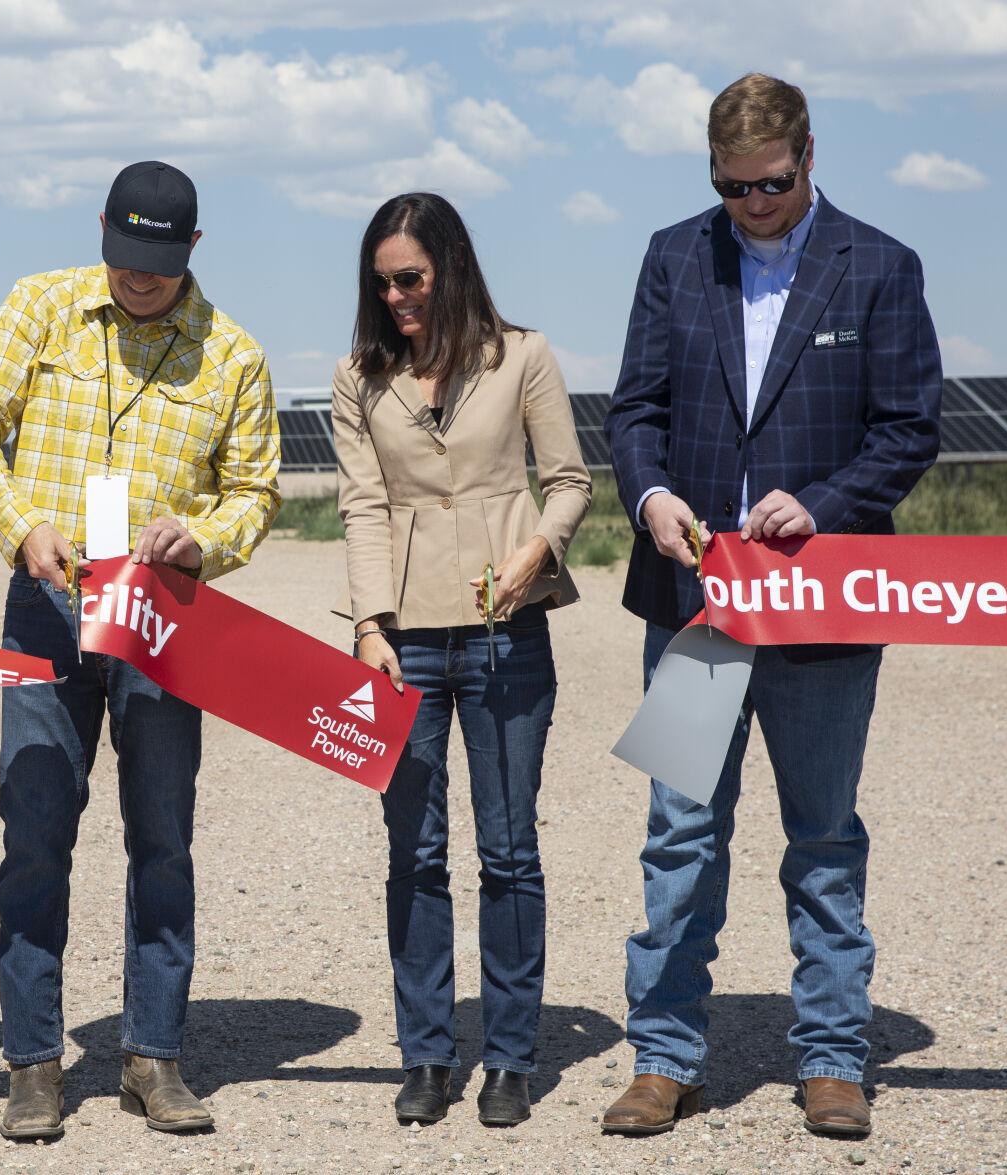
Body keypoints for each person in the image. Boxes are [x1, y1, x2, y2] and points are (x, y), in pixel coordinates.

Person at [603, 73, 941, 1138]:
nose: (751, 203)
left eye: (770, 183)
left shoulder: (879, 265)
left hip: (823, 603)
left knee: (823, 833)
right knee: (680, 830)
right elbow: (634, 411)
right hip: (697, 602)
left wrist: (827, 503)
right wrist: (651, 497)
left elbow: (907, 427)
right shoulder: (671, 254)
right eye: (730, 184)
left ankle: (832, 1056)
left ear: (807, 153)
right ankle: (662, 1055)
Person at [0, 160, 281, 1140]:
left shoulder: (234, 357)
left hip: (165, 625)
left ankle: (152, 1055)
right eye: (127, 257)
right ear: (100, 230)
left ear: (193, 250)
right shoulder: (38, 308)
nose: (141, 278)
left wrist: (203, 540)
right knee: (35, 832)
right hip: (47, 611)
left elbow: (252, 492)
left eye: (160, 263)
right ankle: (33, 1062)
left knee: (162, 838)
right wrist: (18, 526)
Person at [332, 192, 592, 1127]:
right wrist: (370, 626)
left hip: (506, 633)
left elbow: (567, 480)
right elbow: (361, 506)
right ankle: (428, 1055)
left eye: (411, 277)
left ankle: (512, 1056)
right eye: (383, 283)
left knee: (509, 849)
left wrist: (538, 550)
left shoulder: (523, 356)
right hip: (404, 644)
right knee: (417, 851)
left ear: (450, 266)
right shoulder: (358, 378)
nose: (397, 296)